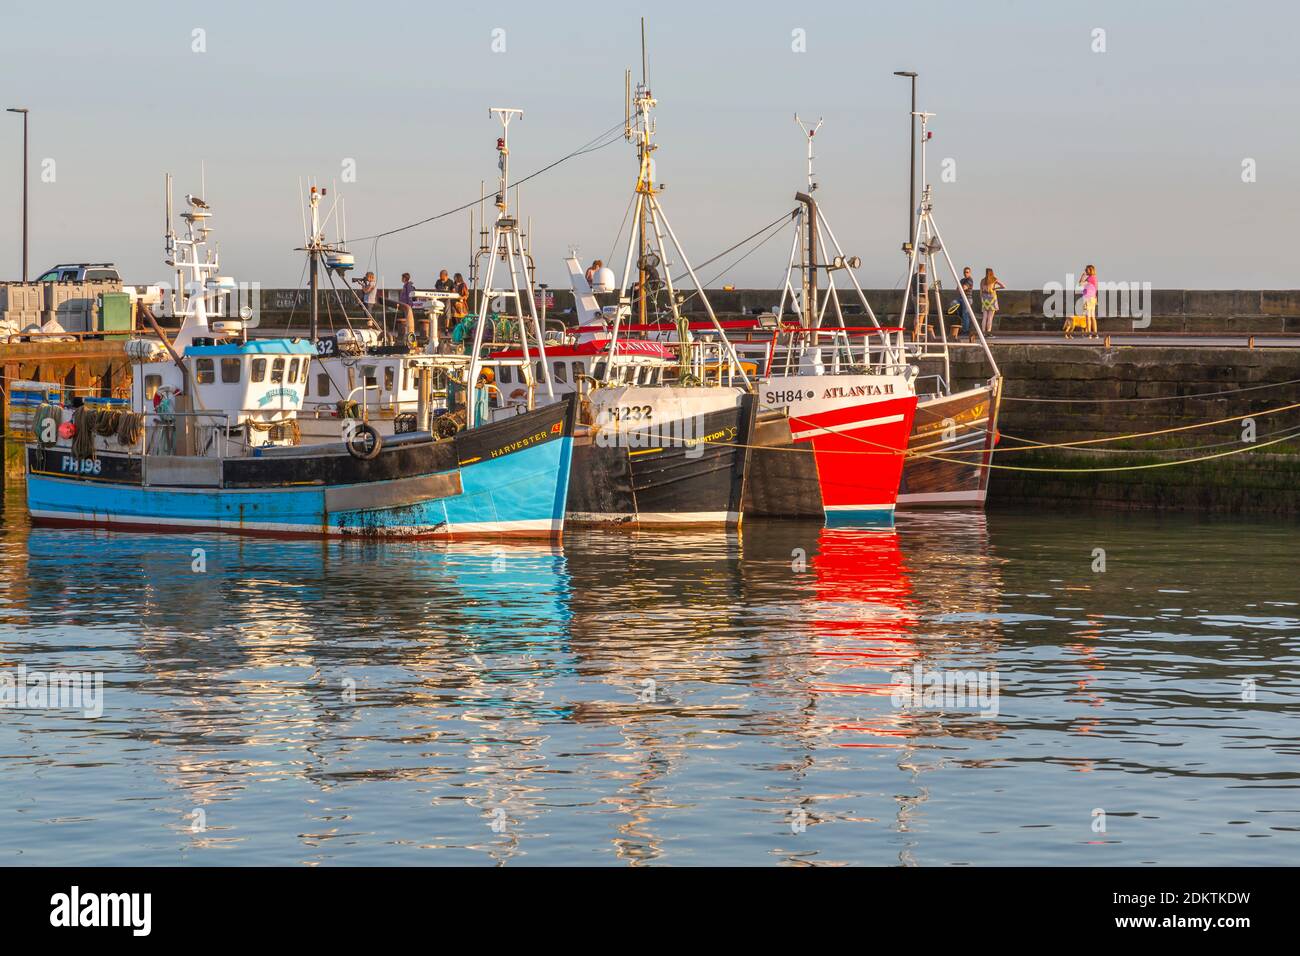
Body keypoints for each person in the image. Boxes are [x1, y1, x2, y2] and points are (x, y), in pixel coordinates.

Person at [980, 268, 1005, 334]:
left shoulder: (982, 280)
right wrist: (995, 288)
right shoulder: (994, 279)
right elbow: (1003, 286)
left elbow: (981, 292)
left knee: (985, 316)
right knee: (990, 317)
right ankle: (988, 332)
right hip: (992, 298)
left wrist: (982, 300)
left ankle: (983, 332)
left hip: (985, 299)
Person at [1078, 264, 1099, 338]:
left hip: (1087, 299)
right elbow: (1095, 289)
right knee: (1092, 317)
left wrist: (1082, 276)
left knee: (1088, 317)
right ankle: (1095, 334)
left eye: (1086, 270)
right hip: (1092, 298)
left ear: (1090, 270)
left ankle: (1089, 334)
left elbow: (1080, 284)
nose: (1085, 271)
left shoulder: (1090, 278)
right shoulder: (1094, 278)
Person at [912, 263, 930, 342]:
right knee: (921, 315)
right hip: (921, 297)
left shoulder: (914, 276)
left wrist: (912, 295)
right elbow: (924, 287)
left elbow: (911, 287)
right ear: (923, 268)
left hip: (915, 297)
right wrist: (927, 298)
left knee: (917, 314)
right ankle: (917, 331)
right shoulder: (923, 276)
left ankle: (916, 330)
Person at [397, 272, 416, 341]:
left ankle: (409, 333)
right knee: (406, 319)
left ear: (404, 278)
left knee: (408, 319)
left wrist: (409, 305)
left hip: (407, 306)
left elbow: (409, 296)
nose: (401, 279)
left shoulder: (408, 285)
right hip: (404, 305)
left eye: (402, 278)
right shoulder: (405, 285)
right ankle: (407, 332)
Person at [958, 266, 975, 341]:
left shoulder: (970, 280)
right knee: (961, 314)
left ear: (970, 273)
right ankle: (964, 329)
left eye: (967, 272)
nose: (966, 273)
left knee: (965, 315)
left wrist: (961, 287)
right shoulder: (962, 280)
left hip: (967, 299)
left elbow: (964, 287)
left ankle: (965, 330)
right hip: (961, 298)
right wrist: (961, 287)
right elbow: (957, 289)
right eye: (965, 272)